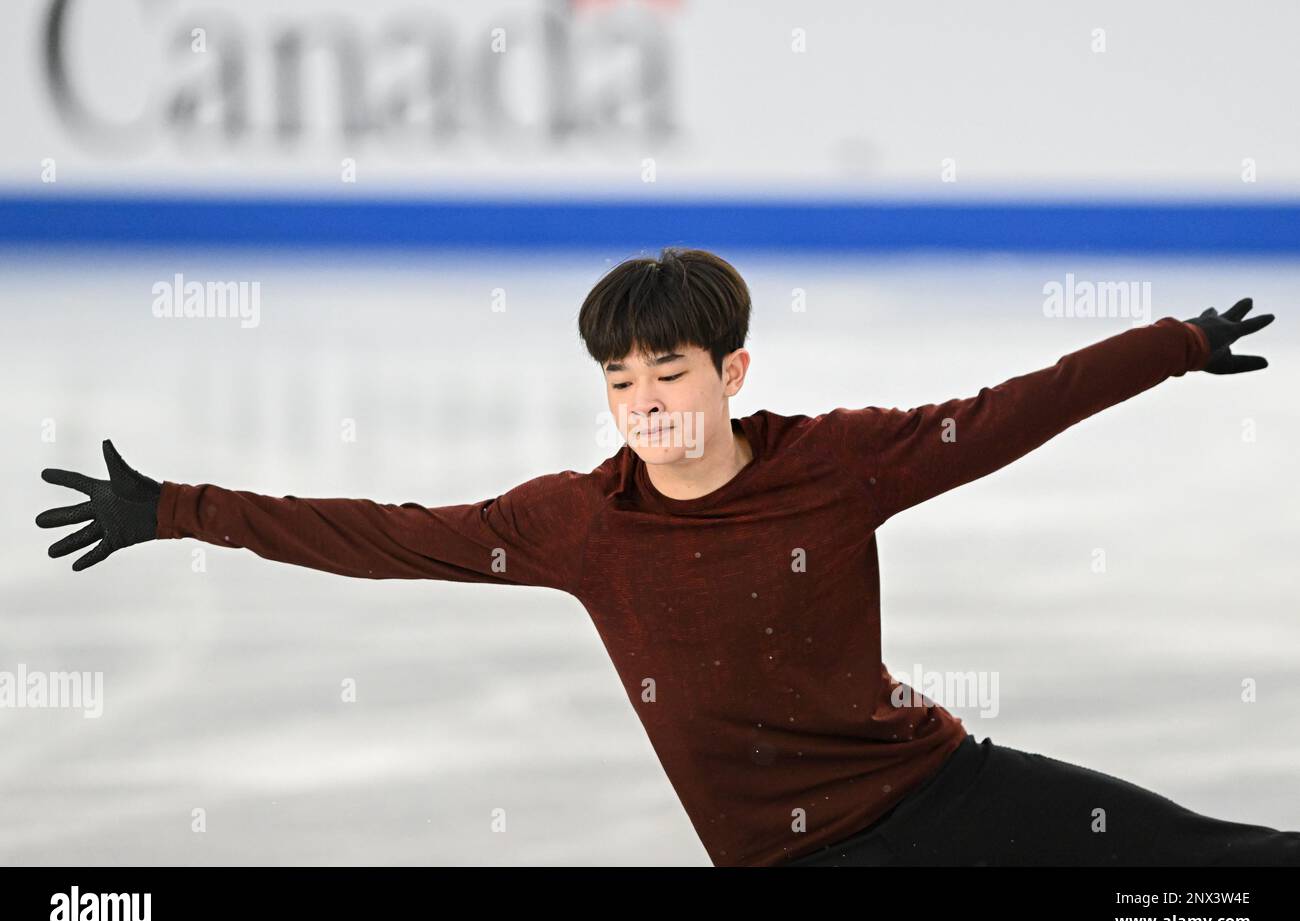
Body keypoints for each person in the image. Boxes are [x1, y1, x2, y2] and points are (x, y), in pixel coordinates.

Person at [36, 248, 1294, 866]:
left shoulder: (835, 460)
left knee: (1212, 868)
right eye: (620, 378)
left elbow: (1013, 409)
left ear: (732, 371)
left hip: (941, 787)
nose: (643, 398)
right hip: (790, 859)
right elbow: (382, 534)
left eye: (670, 371)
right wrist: (176, 507)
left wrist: (1176, 340)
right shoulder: (576, 523)